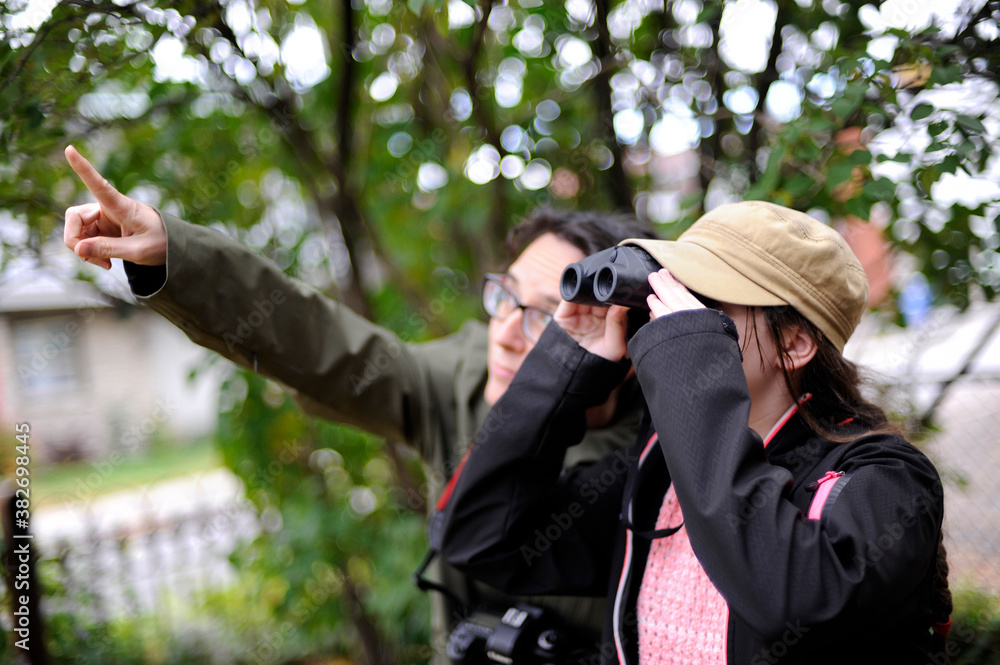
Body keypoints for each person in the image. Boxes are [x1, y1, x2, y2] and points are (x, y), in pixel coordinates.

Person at [61, 145, 657, 661]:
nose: (504, 331)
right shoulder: (461, 380)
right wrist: (176, 256)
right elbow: (319, 343)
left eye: (544, 319)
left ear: (619, 340)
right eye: (506, 297)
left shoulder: (665, 445)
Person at [439, 201, 952, 664]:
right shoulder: (658, 472)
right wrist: (565, 362)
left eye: (706, 302)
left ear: (795, 343)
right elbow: (482, 538)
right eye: (673, 293)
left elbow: (794, 600)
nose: (672, 314)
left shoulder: (887, 479)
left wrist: (688, 364)